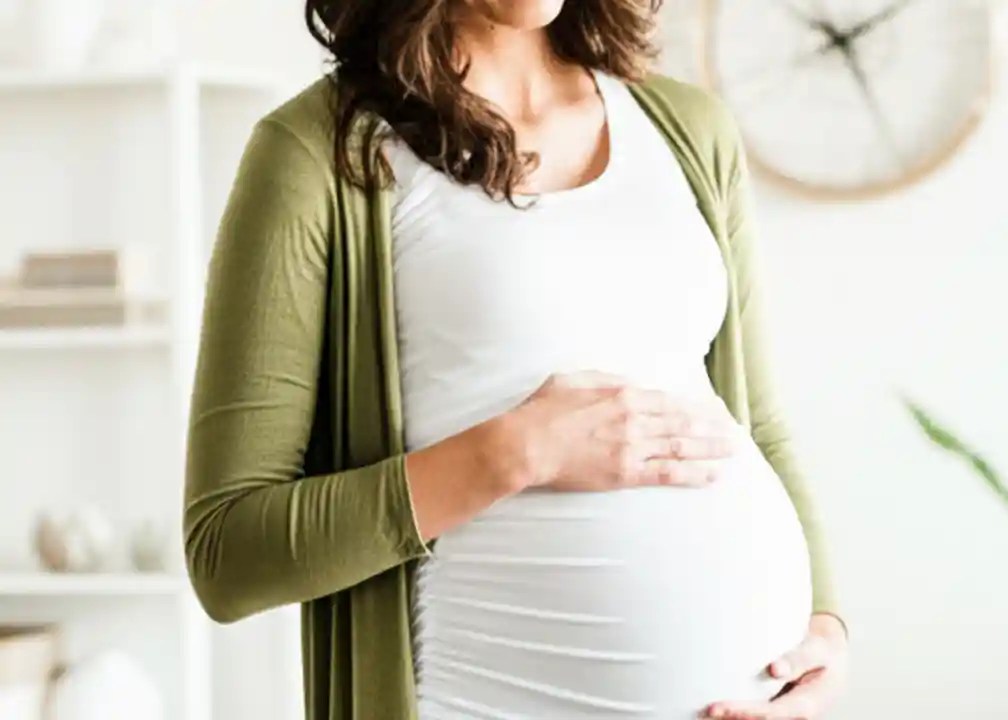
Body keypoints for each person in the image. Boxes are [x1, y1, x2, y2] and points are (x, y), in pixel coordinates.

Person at [182, 1, 848, 718]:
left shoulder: (687, 128)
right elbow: (228, 550)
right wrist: (514, 452)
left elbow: (759, 427)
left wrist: (822, 631)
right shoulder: (317, 153)